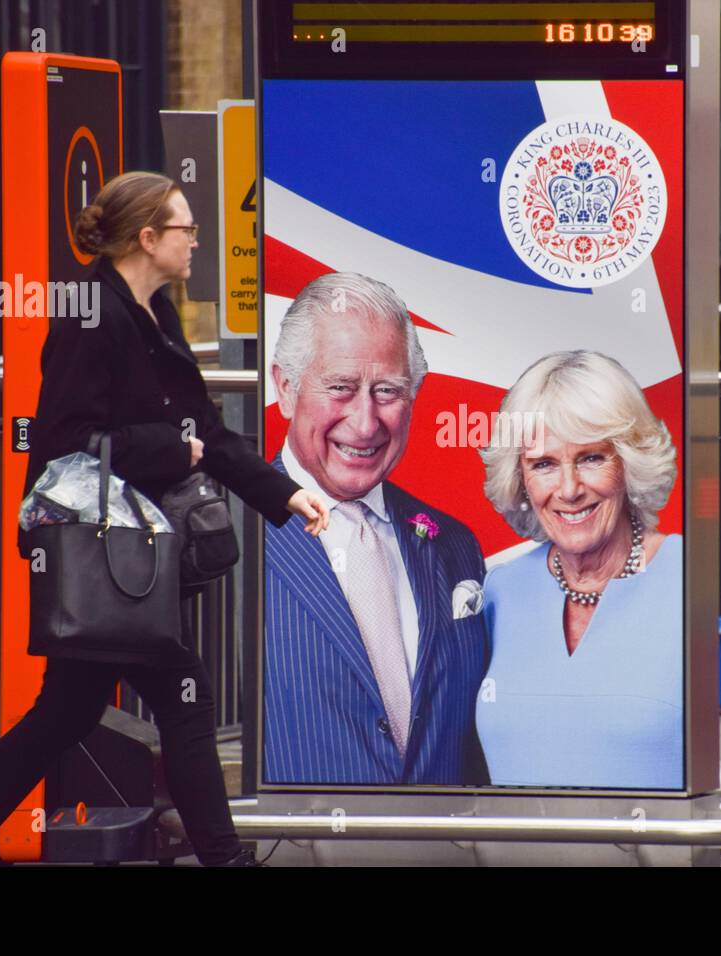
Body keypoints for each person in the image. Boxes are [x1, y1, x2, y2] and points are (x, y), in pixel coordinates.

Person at [0, 171, 329, 866]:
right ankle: (222, 859)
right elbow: (62, 443)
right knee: (182, 704)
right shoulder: (91, 315)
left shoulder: (152, 313)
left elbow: (201, 427)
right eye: (186, 229)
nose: (196, 241)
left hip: (126, 557)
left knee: (68, 711)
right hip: (106, 556)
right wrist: (171, 448)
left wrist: (281, 491)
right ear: (146, 237)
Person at [263, 272, 490, 785]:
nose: (366, 423)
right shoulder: (232, 531)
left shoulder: (453, 544)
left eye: (387, 391)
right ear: (285, 387)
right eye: (340, 388)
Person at [475, 350, 682, 789]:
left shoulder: (689, 580)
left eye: (591, 458)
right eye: (544, 464)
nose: (569, 489)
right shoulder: (499, 590)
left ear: (629, 464)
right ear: (522, 480)